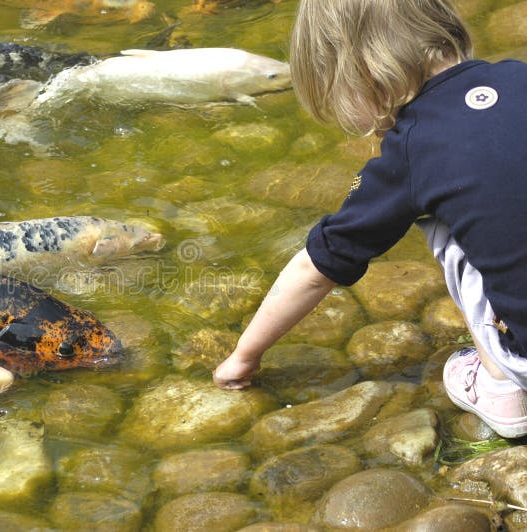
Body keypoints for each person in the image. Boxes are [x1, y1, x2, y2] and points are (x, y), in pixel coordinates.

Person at [212, 0, 527, 439]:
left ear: (361, 73)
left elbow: (317, 267)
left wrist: (243, 355)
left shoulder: (414, 148)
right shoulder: (519, 74)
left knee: (443, 221)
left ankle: (500, 384)